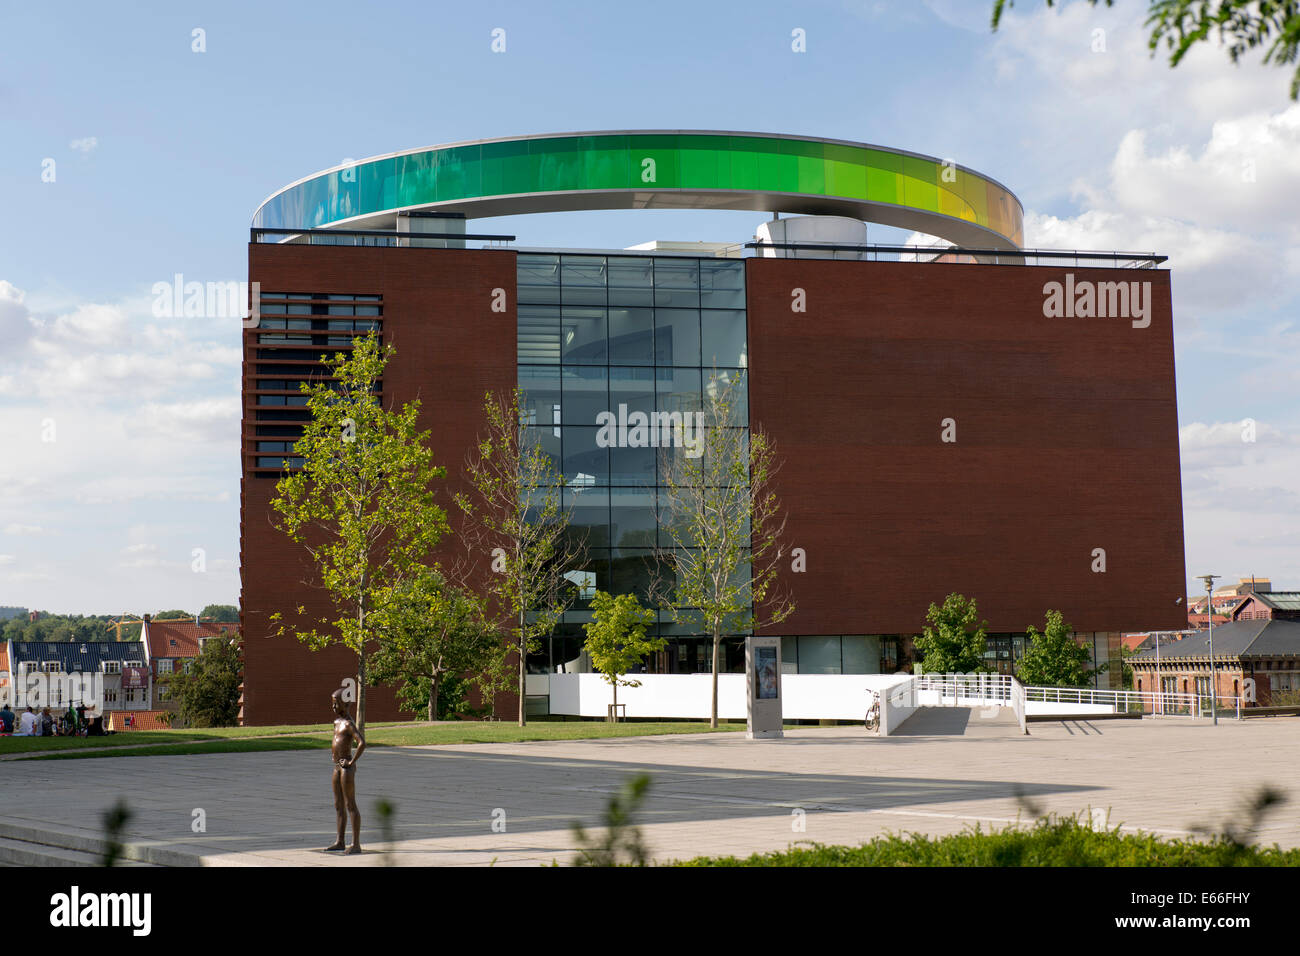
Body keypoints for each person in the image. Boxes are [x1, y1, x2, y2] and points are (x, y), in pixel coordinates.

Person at [325, 688, 366, 854]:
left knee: (350, 804)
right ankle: (340, 841)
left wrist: (352, 760)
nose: (334, 707)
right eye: (333, 704)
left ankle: (355, 844)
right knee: (338, 805)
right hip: (336, 766)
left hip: (346, 768)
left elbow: (362, 743)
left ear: (346, 704)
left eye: (337, 704)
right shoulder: (336, 722)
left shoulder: (349, 724)